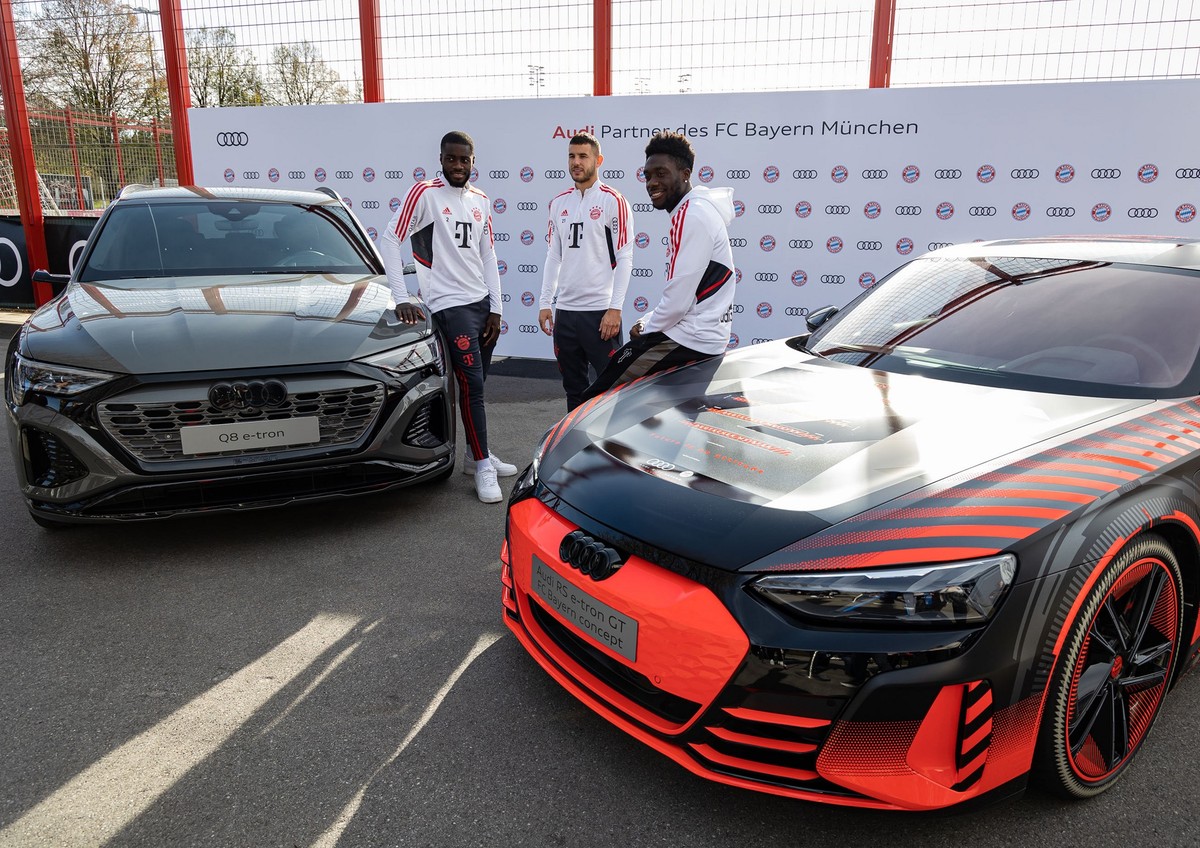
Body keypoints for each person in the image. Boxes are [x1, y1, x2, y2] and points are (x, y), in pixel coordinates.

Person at [380, 130, 517, 503]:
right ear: (441, 159)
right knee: (472, 387)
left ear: (474, 161)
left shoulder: (481, 199)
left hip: (480, 304)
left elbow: (488, 254)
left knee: (477, 386)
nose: (458, 165)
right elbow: (390, 240)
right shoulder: (424, 193)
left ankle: (475, 455)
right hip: (448, 305)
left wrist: (496, 307)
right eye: (451, 158)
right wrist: (401, 297)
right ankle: (483, 466)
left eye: (464, 159)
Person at [583, 131, 736, 399]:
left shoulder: (692, 215)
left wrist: (645, 327)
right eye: (648, 175)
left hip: (690, 339)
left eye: (661, 174)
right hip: (700, 336)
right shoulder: (695, 210)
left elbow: (677, 304)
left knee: (594, 399)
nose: (652, 183)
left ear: (685, 174)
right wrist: (647, 321)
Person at [538, 132, 636, 410]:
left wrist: (615, 309)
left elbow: (625, 257)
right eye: (572, 156)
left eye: (583, 156)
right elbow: (553, 256)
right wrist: (545, 302)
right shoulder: (558, 203)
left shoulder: (613, 200)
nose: (576, 162)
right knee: (573, 389)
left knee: (612, 390)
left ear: (598, 160)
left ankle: (612, 439)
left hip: (600, 314)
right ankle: (576, 437)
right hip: (566, 314)